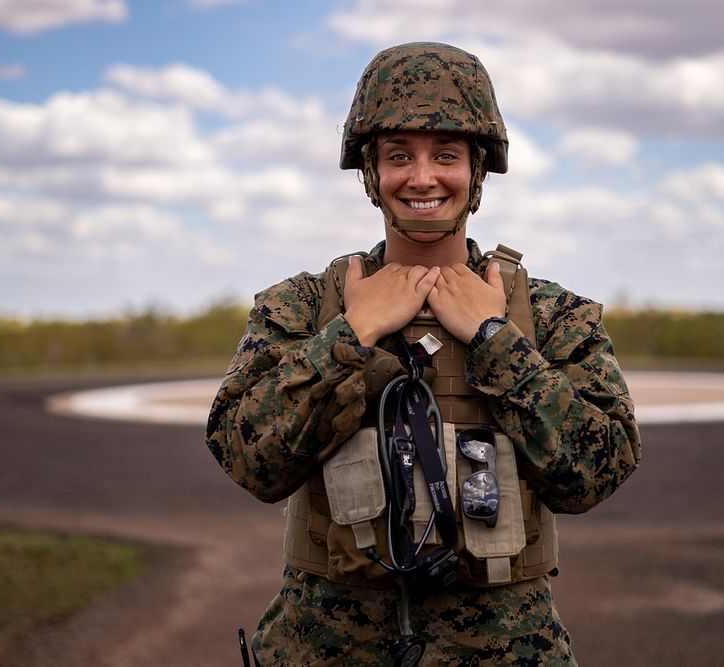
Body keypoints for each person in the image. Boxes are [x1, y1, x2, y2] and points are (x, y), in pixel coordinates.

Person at [206, 41, 641, 666]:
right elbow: (247, 461)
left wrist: (496, 340)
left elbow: (600, 471)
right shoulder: (303, 309)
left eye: (446, 155)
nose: (422, 177)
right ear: (370, 174)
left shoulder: (547, 315)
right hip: (324, 646)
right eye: (397, 156)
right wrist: (350, 335)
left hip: (503, 647)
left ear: (479, 170)